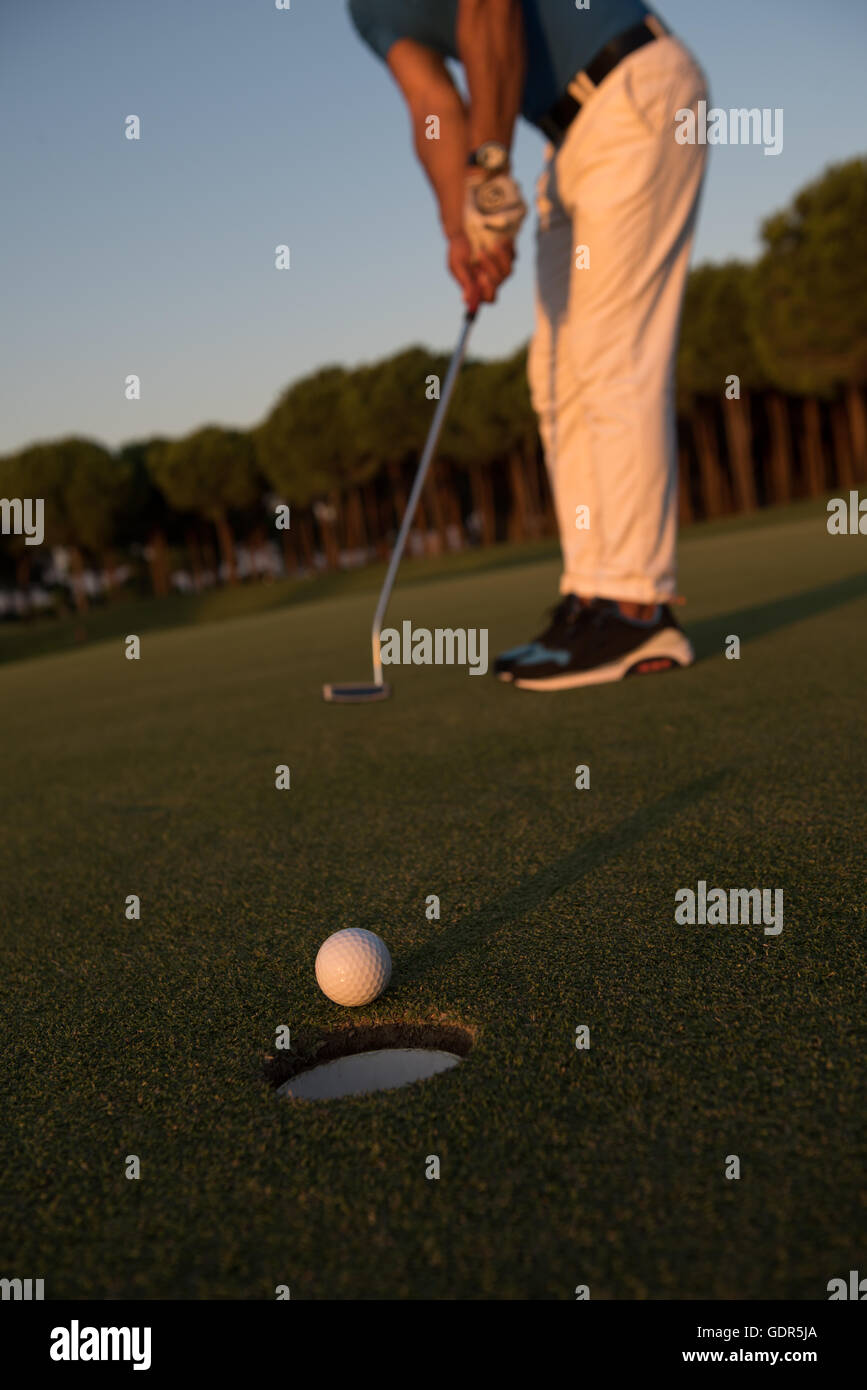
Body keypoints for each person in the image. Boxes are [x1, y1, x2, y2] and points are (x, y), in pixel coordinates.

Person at [347, 0, 708, 691]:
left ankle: (638, 610)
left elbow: (491, 9)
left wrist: (488, 169)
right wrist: (462, 226)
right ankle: (593, 597)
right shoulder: (364, 12)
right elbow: (432, 107)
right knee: (554, 376)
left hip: (633, 85)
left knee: (611, 356)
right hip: (566, 139)